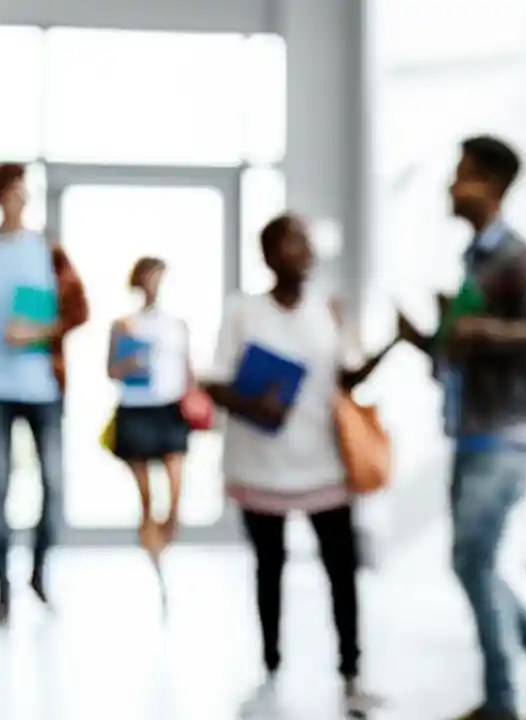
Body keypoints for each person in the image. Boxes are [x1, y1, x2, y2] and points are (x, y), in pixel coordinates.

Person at [398, 136, 526, 720]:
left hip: (508, 433)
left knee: (473, 560)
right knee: (470, 561)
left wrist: (481, 333)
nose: (452, 186)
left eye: (462, 175)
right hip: (471, 428)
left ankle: (505, 700)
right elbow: (464, 346)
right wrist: (426, 339)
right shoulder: (474, 260)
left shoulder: (524, 261)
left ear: (490, 185)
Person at [203, 214, 387, 717]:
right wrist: (252, 404)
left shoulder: (327, 310)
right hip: (260, 464)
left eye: (306, 242)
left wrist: (393, 344)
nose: (302, 250)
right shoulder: (243, 311)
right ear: (268, 254)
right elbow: (214, 381)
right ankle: (270, 671)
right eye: (291, 242)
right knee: (269, 570)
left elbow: (346, 378)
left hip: (323, 465)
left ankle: (351, 675)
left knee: (341, 573)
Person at [0, 163, 89, 627]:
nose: (20, 198)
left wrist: (38, 330)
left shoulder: (48, 251)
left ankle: (38, 574)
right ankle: (2, 592)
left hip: (43, 385)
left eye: (23, 191)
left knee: (52, 484)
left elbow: (78, 309)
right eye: (12, 191)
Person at [107, 257, 193, 569]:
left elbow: (188, 371)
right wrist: (132, 362)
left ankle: (167, 539)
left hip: (169, 408)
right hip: (135, 407)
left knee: (175, 491)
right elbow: (112, 369)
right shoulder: (124, 325)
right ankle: (151, 547)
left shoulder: (176, 325)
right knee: (145, 497)